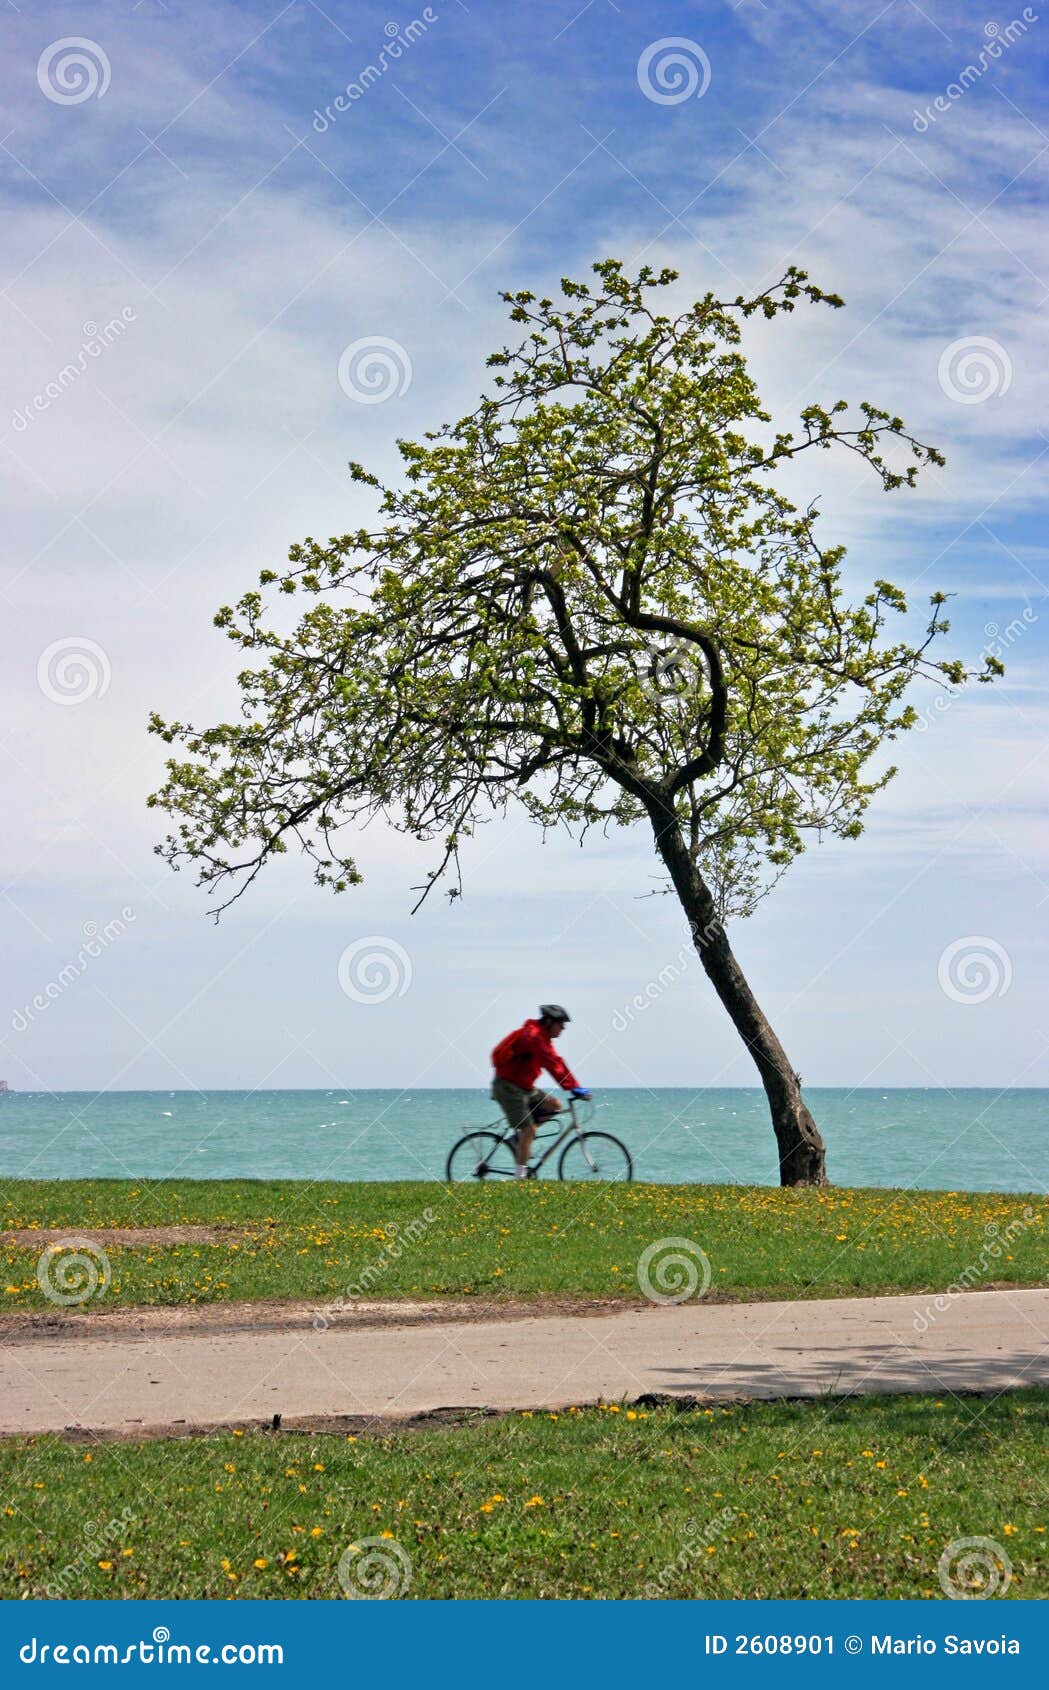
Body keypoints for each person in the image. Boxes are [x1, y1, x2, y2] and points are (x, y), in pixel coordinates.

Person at [490, 1004, 592, 1179]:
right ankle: (520, 1178)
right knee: (529, 1131)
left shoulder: (543, 1038)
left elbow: (556, 1061)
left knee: (554, 1105)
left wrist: (575, 1085)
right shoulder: (534, 1037)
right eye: (561, 1024)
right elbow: (551, 1064)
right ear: (549, 1022)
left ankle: (519, 1140)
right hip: (508, 1087)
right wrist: (572, 1087)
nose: (563, 1029)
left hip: (524, 1088)